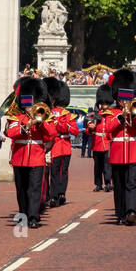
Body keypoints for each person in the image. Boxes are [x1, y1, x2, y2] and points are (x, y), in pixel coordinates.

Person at [6, 76, 57, 229]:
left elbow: (51, 133)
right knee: (21, 189)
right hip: (20, 157)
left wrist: (40, 124)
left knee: (35, 188)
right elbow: (11, 132)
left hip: (36, 157)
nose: (29, 106)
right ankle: (23, 215)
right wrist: (26, 126)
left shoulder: (45, 117)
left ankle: (34, 217)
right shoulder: (16, 117)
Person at [104, 69, 136, 225]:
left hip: (134, 151)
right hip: (117, 153)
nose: (124, 101)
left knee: (131, 183)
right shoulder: (111, 112)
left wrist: (134, 115)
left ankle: (131, 211)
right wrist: (120, 117)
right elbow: (107, 129)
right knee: (119, 185)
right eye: (121, 98)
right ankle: (120, 213)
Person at [45, 78, 76, 209]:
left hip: (64, 145)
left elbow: (74, 130)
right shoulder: (49, 113)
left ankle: (61, 193)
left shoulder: (67, 115)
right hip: (56, 144)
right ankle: (54, 195)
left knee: (62, 171)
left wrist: (63, 124)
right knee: (56, 171)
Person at [90, 83, 114, 192]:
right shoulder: (96, 114)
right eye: (102, 102)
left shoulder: (111, 114)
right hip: (96, 143)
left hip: (106, 142)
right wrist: (91, 127)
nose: (104, 104)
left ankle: (108, 182)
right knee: (97, 166)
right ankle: (98, 184)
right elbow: (89, 128)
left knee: (107, 165)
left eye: (106, 102)